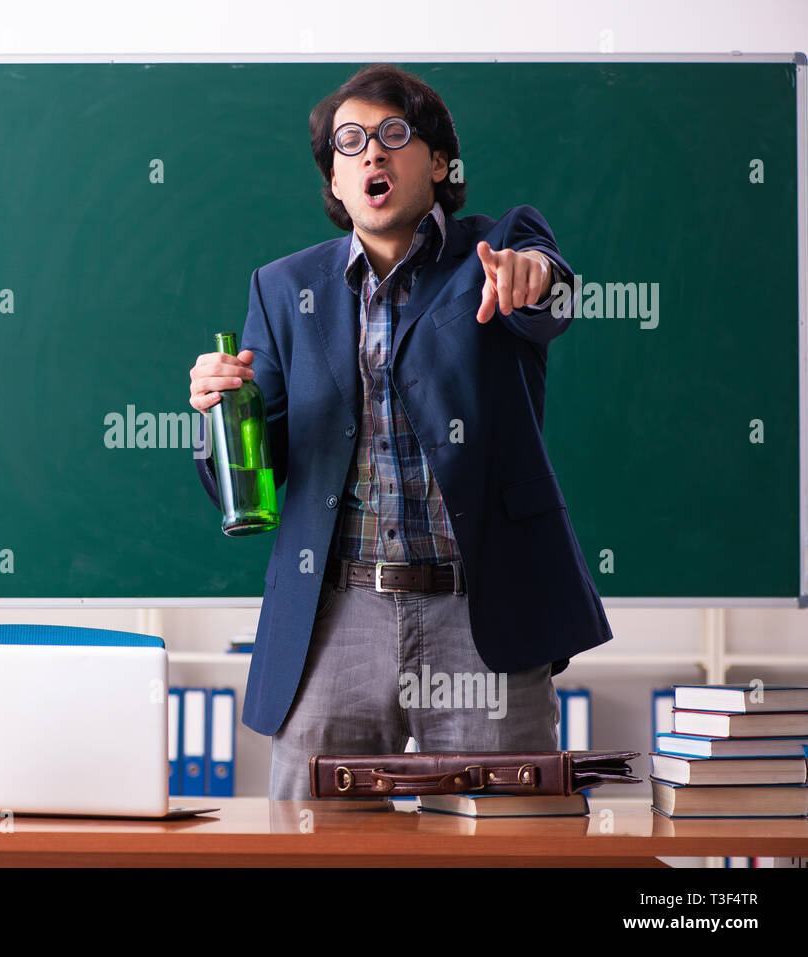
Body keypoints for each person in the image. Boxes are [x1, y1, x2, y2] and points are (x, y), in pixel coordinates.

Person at [188, 64, 614, 800]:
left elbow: (554, 293)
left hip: (479, 616)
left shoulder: (496, 248)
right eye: (349, 143)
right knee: (310, 844)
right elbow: (265, 460)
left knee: (510, 839)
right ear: (335, 180)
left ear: (441, 162)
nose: (371, 154)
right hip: (336, 617)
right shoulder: (284, 289)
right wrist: (225, 412)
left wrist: (531, 274)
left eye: (394, 134)